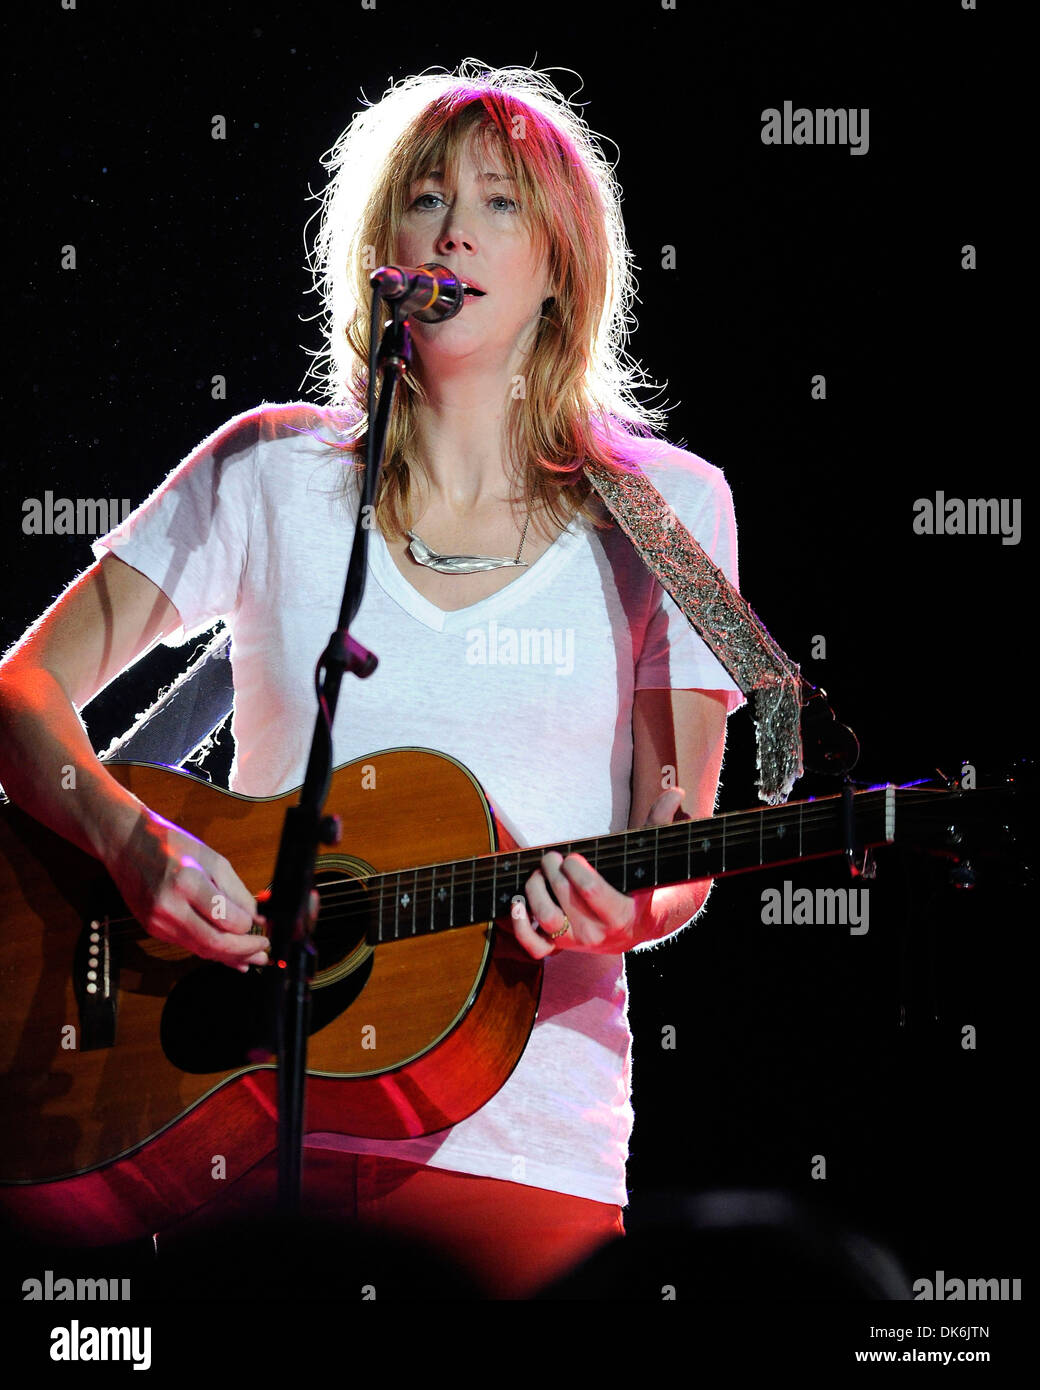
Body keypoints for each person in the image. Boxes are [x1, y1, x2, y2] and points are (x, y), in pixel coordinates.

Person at [0, 62, 745, 1298]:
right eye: (424, 196)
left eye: (499, 203)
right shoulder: (268, 470)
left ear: (561, 266)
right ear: (379, 249)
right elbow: (20, 692)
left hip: (520, 1143)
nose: (452, 224)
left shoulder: (667, 510)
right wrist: (132, 844)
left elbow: (680, 843)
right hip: (231, 1119)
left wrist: (631, 906)